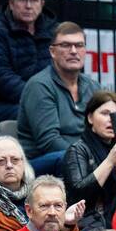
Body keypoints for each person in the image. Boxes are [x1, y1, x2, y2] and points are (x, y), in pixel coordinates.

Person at [17, 22, 99, 167]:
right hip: (45, 161)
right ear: (52, 52)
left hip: (85, 158)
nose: (73, 51)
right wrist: (90, 158)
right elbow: (49, 142)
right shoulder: (39, 85)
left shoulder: (93, 87)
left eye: (79, 45)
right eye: (66, 45)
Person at [62, 90, 116, 231]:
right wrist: (110, 161)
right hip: (96, 224)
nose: (111, 119)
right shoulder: (78, 150)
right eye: (105, 113)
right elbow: (78, 194)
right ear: (90, 118)